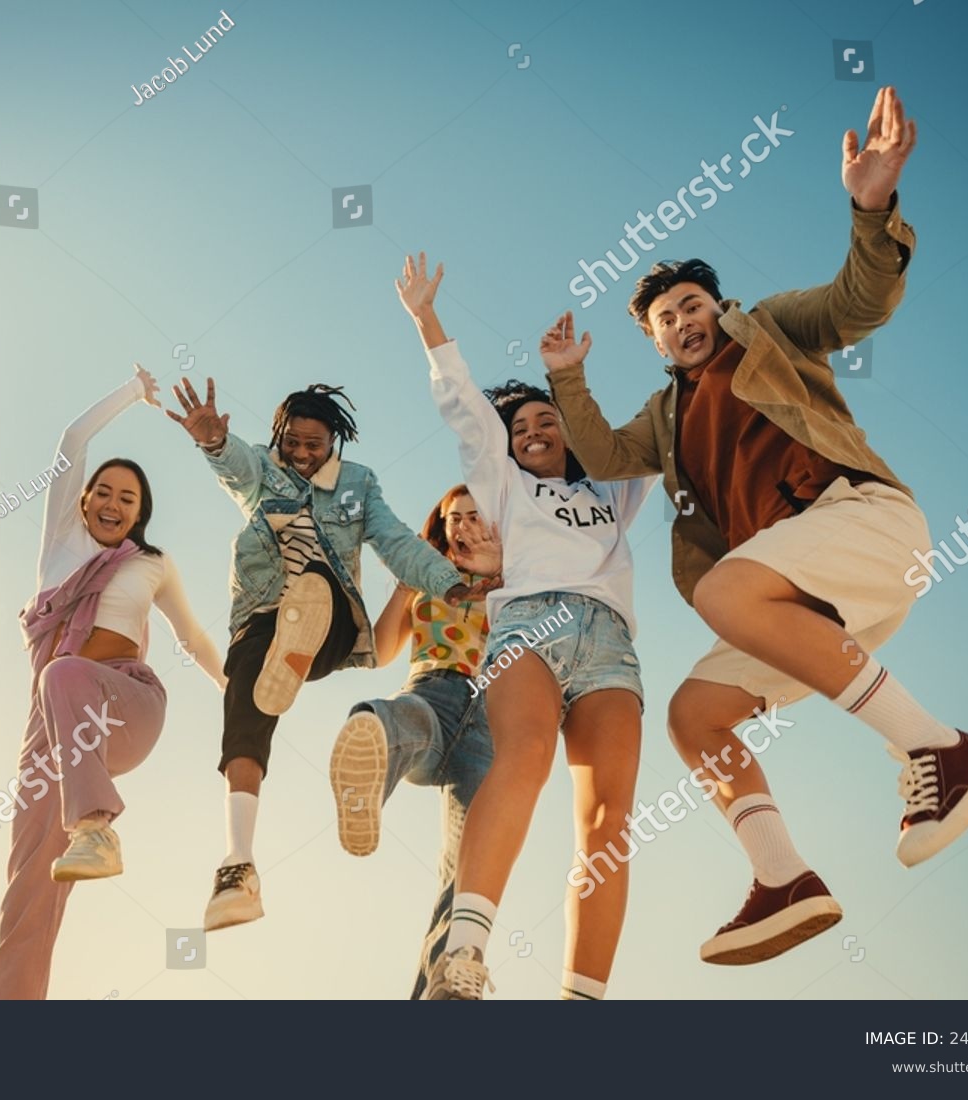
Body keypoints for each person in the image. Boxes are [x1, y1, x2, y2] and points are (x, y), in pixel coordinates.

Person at [542, 86, 968, 966]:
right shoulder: (663, 418)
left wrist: (871, 206)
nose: (681, 321)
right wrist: (567, 378)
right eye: (662, 318)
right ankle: (784, 876)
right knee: (695, 713)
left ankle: (940, 748)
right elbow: (602, 455)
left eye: (690, 305)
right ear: (651, 341)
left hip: (861, 521)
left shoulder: (769, 333)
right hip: (804, 594)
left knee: (725, 588)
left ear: (717, 309)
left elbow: (854, 304)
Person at [399, 253, 657, 1000]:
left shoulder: (612, 489)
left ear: (573, 435)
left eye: (551, 420)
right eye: (525, 424)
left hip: (611, 648)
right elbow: (464, 408)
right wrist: (426, 319)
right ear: (508, 446)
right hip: (531, 633)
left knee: (609, 821)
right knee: (527, 756)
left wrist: (576, 377)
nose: (537, 429)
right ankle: (463, 958)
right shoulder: (503, 485)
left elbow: (665, 424)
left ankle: (581, 1000)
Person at [166, 377, 475, 932]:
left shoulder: (358, 484)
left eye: (316, 446)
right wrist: (213, 443)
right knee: (243, 709)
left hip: (330, 628)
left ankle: (301, 640)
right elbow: (236, 466)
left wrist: (446, 581)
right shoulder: (263, 469)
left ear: (334, 443)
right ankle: (238, 863)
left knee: (316, 583)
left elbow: (396, 540)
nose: (304, 456)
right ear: (278, 437)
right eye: (294, 444)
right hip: (261, 621)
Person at [0, 364, 226, 1000]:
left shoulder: (151, 565)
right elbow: (71, 441)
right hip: (57, 731)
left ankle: (98, 826)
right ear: (83, 499)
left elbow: (194, 640)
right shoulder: (60, 548)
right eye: (103, 492)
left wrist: (238, 693)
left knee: (65, 673)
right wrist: (132, 393)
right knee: (28, 888)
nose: (113, 504)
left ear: (140, 514)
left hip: (126, 706)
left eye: (129, 499)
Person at [329, 484, 501, 998]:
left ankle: (444, 987)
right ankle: (367, 775)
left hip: (492, 720)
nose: (465, 526)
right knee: (404, 719)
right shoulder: (425, 577)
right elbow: (381, 652)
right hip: (435, 692)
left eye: (476, 516)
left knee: (468, 868)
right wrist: (407, 585)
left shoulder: (515, 579)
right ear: (441, 526)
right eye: (455, 519)